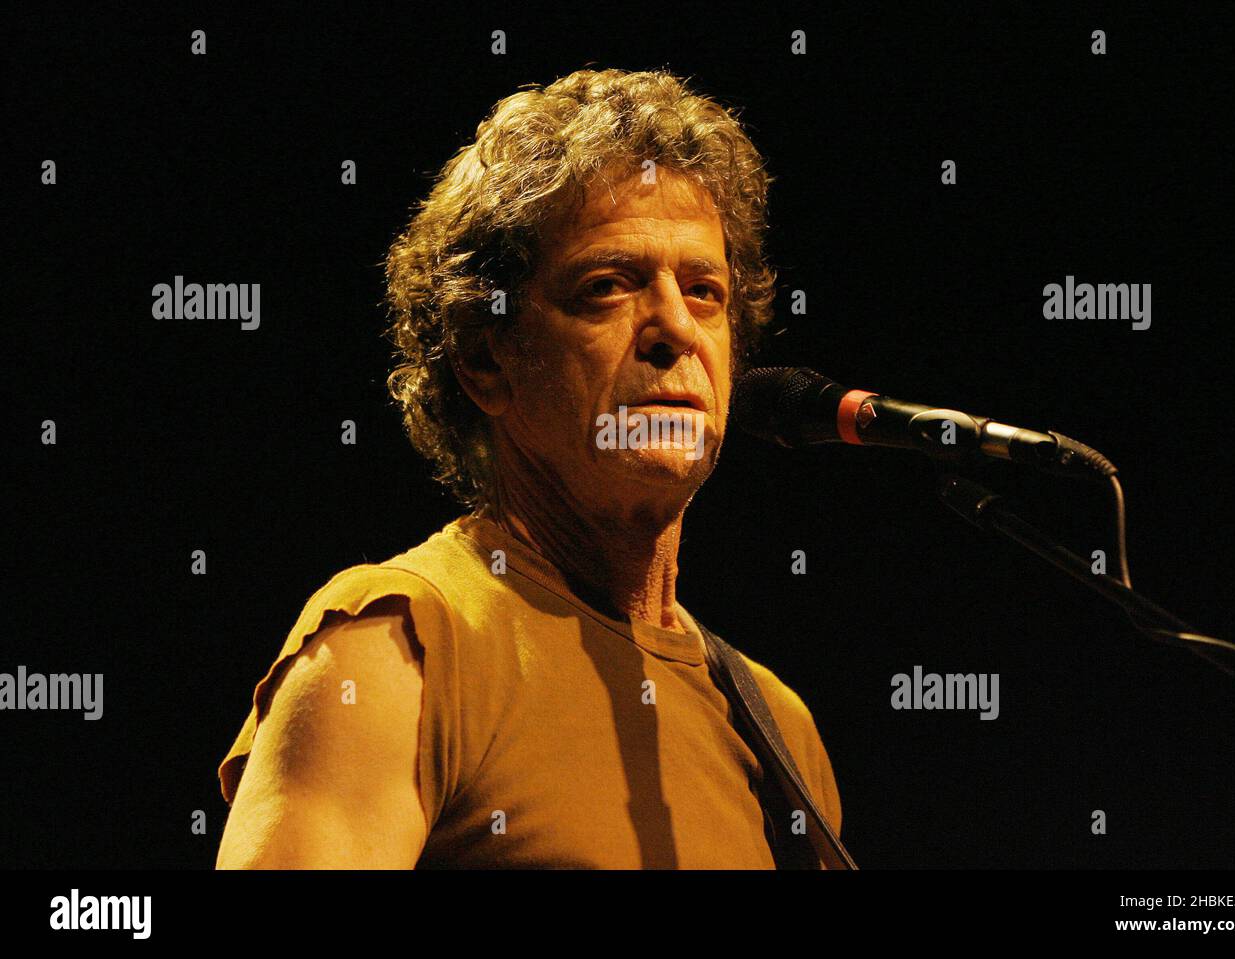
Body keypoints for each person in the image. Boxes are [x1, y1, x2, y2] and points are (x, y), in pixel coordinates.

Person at [216, 67, 844, 869]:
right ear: (487, 360)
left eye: (704, 290)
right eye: (607, 287)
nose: (674, 327)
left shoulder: (778, 728)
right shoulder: (394, 645)